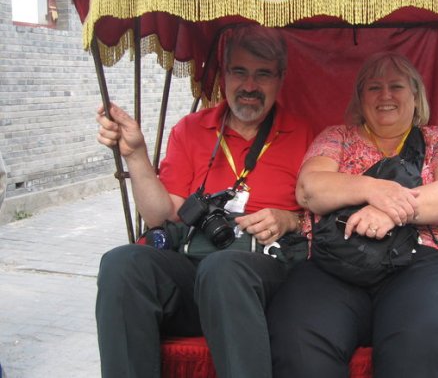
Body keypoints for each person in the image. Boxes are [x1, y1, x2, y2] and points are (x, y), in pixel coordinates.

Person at [94, 25, 313, 378]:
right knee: (122, 263)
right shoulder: (191, 129)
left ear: (280, 78)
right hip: (193, 267)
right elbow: (161, 216)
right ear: (223, 75)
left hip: (266, 276)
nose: (250, 86)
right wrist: (135, 154)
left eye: (263, 75)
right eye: (239, 72)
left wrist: (288, 219)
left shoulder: (303, 134)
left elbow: (324, 219)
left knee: (224, 268)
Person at [267, 52, 438, 378]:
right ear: (360, 98)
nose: (385, 96)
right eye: (373, 88)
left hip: (424, 261)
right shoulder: (337, 137)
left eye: (396, 86)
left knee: (415, 349)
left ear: (415, 95)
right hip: (337, 260)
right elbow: (310, 189)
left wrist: (393, 212)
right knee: (299, 345)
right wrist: (371, 189)